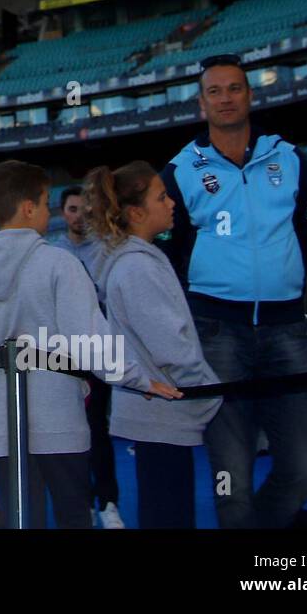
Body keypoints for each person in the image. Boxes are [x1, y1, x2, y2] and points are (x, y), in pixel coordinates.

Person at [0, 160, 179, 528]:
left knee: (22, 520)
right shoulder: (59, 263)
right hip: (59, 419)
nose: (50, 213)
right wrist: (137, 378)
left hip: (2, 425)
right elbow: (90, 338)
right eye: (46, 203)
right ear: (29, 208)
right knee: (74, 517)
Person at [160, 53, 307, 529]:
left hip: (287, 327)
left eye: (234, 88)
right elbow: (172, 251)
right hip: (218, 333)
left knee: (301, 468)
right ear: (201, 103)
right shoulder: (180, 170)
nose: (226, 98)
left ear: (250, 95)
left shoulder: (290, 158)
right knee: (232, 476)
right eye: (215, 91)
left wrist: (282, 279)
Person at [86, 162, 222, 529]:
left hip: (159, 413)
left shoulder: (137, 262)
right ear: (136, 212)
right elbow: (171, 347)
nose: (172, 203)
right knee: (169, 514)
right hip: (162, 414)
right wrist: (210, 393)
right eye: (161, 197)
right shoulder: (137, 268)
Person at [51, 184, 121, 528]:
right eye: (72, 209)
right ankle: (82, 504)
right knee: (72, 433)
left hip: (99, 351)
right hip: (65, 358)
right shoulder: (51, 253)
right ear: (63, 213)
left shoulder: (106, 251)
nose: (78, 216)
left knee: (98, 429)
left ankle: (108, 502)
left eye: (84, 209)